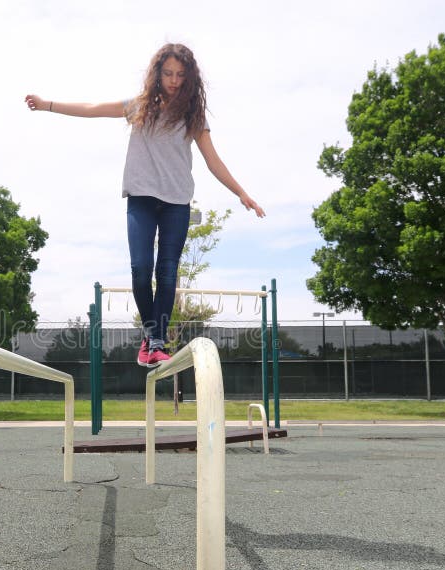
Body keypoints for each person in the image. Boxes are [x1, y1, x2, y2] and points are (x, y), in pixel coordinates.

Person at [25, 43, 265, 368]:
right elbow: (93, 107)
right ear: (157, 73)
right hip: (141, 198)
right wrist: (47, 105)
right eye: (168, 73)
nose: (174, 80)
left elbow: (213, 160)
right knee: (141, 270)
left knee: (167, 274)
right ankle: (151, 338)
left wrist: (241, 192)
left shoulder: (193, 116)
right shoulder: (139, 106)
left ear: (189, 77)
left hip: (177, 202)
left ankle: (155, 340)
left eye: (180, 75)